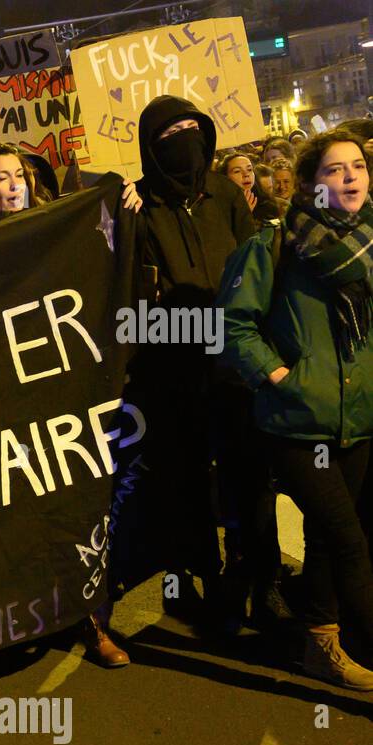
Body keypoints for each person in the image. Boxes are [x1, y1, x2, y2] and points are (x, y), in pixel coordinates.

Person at [218, 128, 373, 689]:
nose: (351, 176)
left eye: (357, 166)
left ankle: (322, 643)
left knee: (328, 537)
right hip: (297, 424)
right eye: (336, 169)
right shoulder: (273, 245)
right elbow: (232, 324)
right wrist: (281, 375)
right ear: (310, 183)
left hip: (358, 417)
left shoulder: (370, 243)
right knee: (347, 537)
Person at [127, 95, 268, 639]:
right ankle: (200, 578)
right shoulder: (140, 205)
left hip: (234, 364)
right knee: (187, 479)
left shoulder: (226, 195)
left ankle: (257, 578)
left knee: (246, 477)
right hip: (177, 368)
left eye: (192, 128)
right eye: (171, 134)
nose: (185, 139)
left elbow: (255, 263)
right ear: (151, 148)